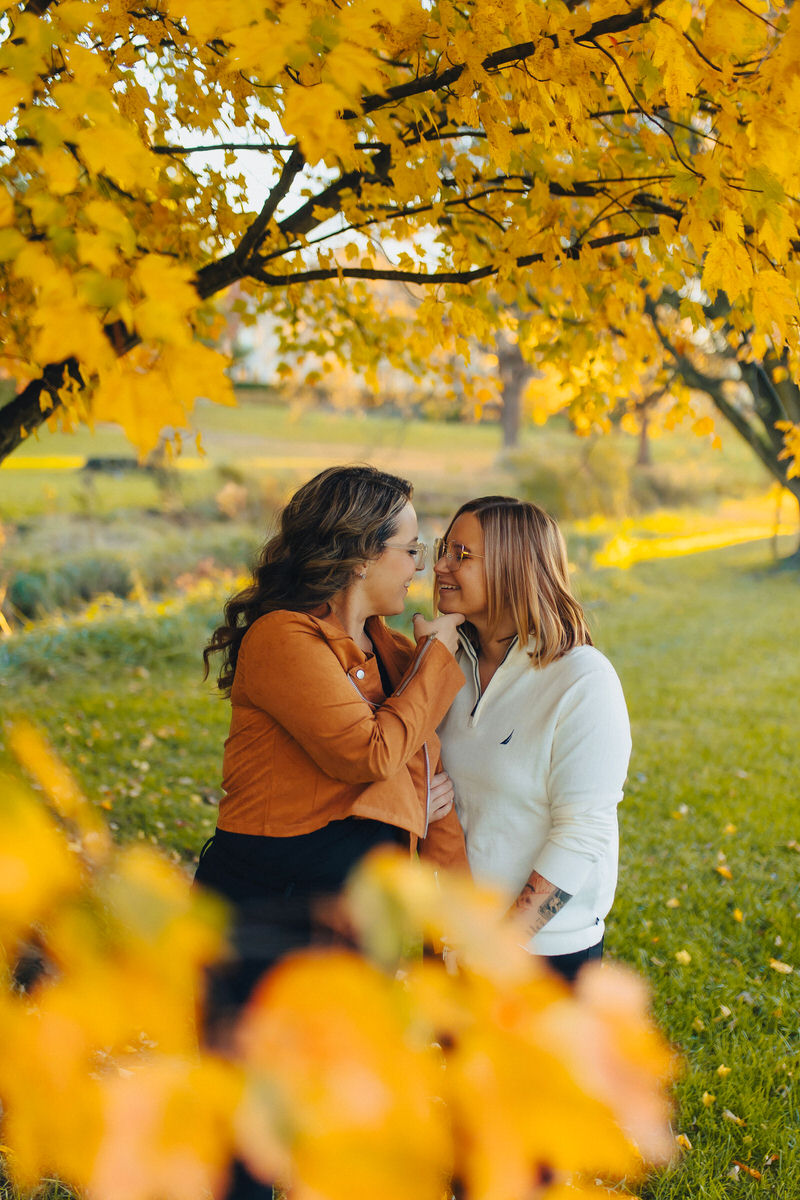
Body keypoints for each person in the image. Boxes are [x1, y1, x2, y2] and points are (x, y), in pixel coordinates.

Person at [194, 465, 467, 1039]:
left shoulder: (392, 651)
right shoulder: (283, 637)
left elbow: (422, 770)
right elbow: (369, 755)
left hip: (354, 913)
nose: (419, 567)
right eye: (411, 550)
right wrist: (436, 659)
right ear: (362, 556)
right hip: (270, 906)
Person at [434, 496, 631, 984]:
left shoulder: (582, 679)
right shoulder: (445, 662)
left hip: (541, 955)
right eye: (443, 550)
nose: (440, 566)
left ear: (512, 567)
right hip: (448, 936)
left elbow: (582, 832)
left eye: (461, 554)